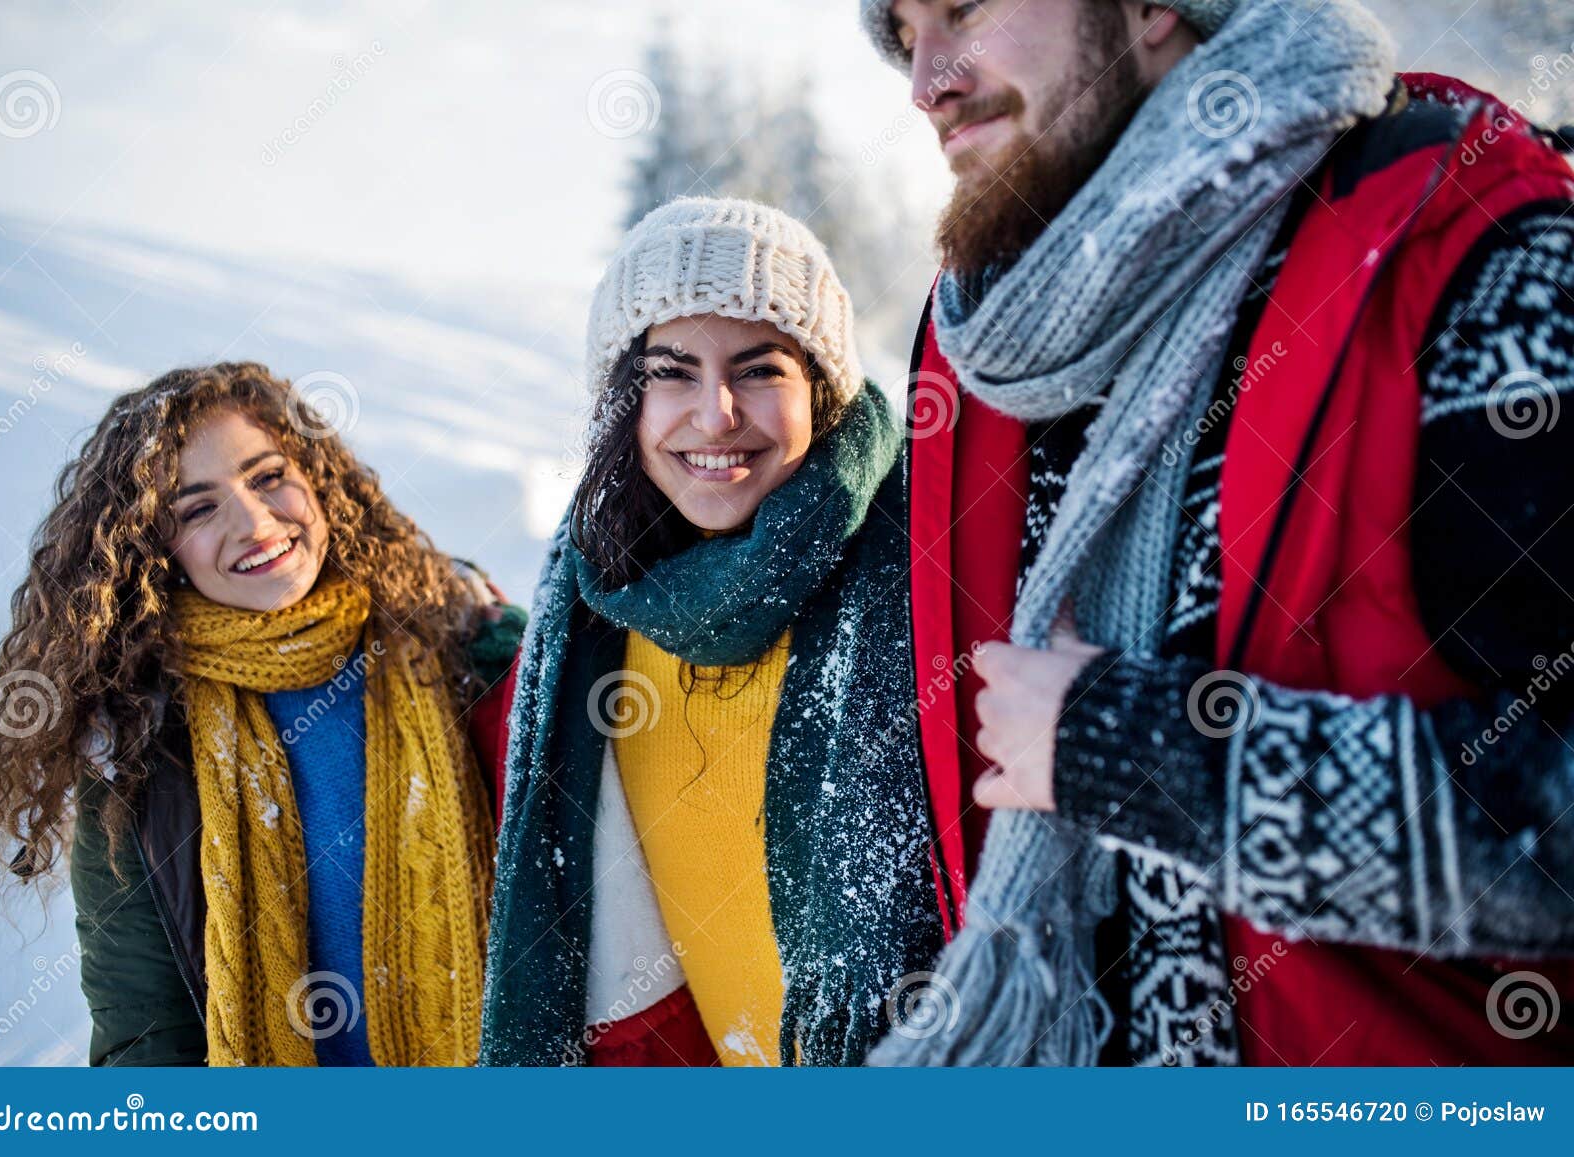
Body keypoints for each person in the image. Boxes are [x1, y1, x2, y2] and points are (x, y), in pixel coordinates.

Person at [860, 0, 1574, 1064]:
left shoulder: (1481, 256)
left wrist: (1141, 750)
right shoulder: (992, 352)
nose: (927, 82)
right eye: (902, 36)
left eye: (963, 8)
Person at [480, 197, 945, 1067]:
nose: (716, 412)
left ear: (823, 387)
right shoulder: (591, 602)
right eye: (672, 371)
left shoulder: (929, 571)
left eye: (759, 368)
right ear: (627, 398)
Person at [0, 362, 524, 1066]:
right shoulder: (138, 745)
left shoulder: (458, 642)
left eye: (268, 477)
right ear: (154, 548)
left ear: (320, 477)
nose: (255, 521)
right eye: (197, 508)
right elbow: (146, 1033)